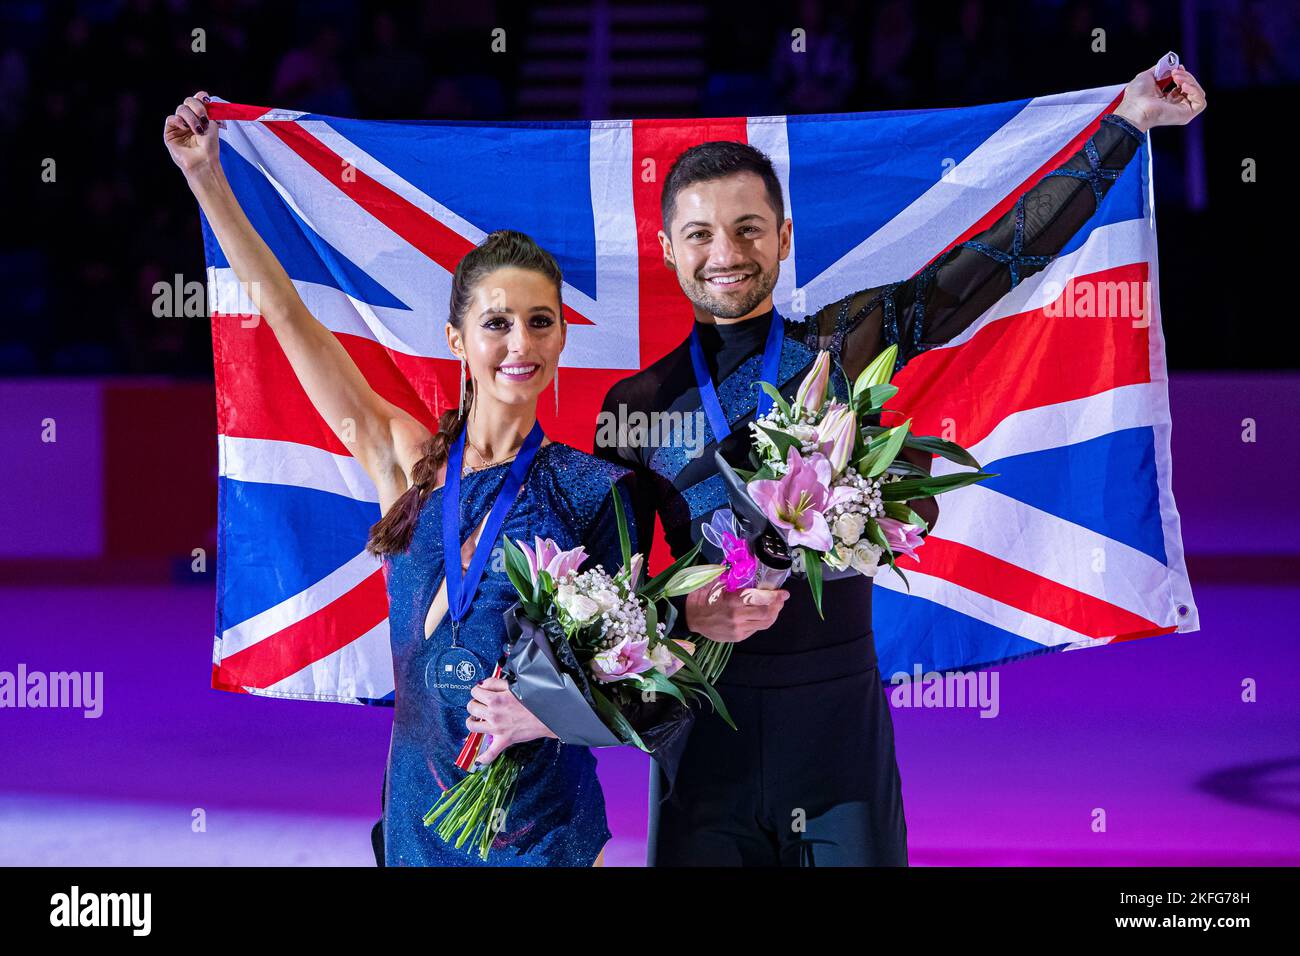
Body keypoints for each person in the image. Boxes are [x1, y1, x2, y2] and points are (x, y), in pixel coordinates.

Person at [594, 61, 1206, 866]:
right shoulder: (634, 407)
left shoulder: (844, 341)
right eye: (701, 233)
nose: (726, 253)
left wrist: (1125, 125)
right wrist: (679, 622)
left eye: (749, 229)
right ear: (667, 246)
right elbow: (609, 603)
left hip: (839, 731)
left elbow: (997, 259)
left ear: (782, 238)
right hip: (703, 744)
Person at [165, 92, 639, 866]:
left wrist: (546, 713)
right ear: (456, 339)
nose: (520, 342)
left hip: (542, 831)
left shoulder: (592, 491)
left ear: (562, 334)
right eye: (497, 322)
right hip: (419, 824)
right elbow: (288, 317)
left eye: (540, 320)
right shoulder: (408, 467)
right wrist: (206, 179)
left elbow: (633, 687)